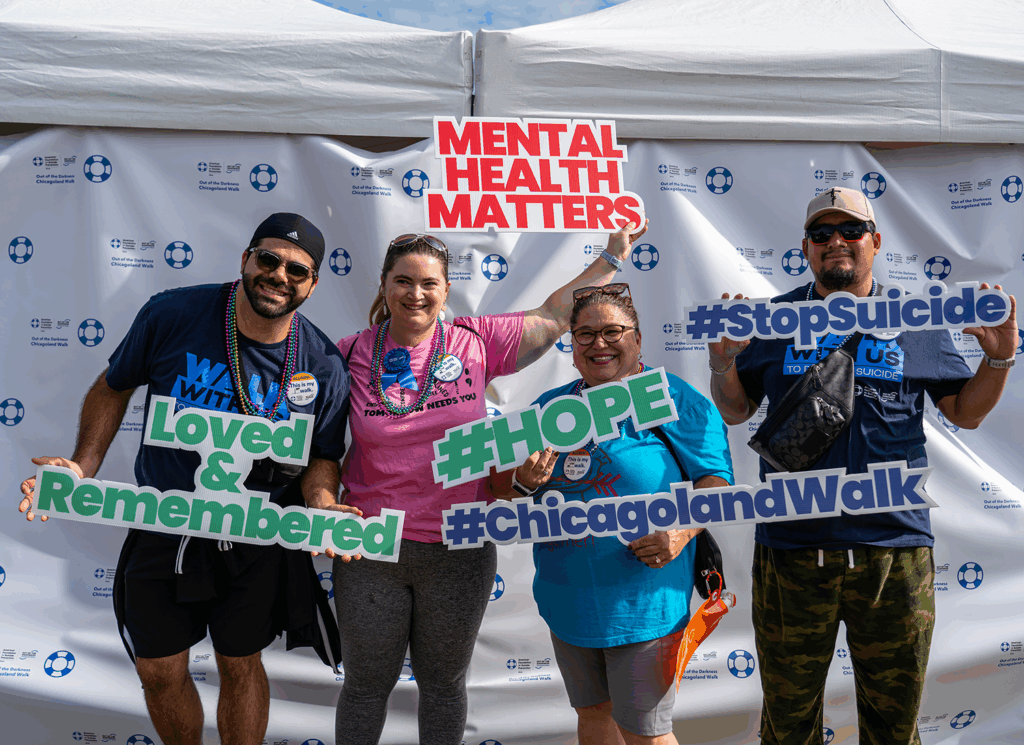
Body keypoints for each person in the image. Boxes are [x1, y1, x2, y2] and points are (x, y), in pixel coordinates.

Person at [18, 213, 359, 745]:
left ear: (312, 284)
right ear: (246, 259)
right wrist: (82, 467)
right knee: (157, 670)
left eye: (298, 270)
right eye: (268, 260)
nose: (279, 276)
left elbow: (323, 455)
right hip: (166, 523)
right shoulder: (173, 313)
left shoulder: (323, 362)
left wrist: (320, 501)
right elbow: (113, 387)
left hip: (253, 536)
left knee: (241, 664)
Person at [707, 187, 1018, 745]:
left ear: (875, 242)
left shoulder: (913, 319)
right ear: (806, 248)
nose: (837, 243)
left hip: (893, 550)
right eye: (822, 234)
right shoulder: (776, 320)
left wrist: (998, 359)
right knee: (788, 725)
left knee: (892, 726)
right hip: (793, 550)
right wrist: (723, 366)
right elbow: (737, 410)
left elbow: (964, 413)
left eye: (851, 231)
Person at [331, 222, 648, 745]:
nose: (416, 293)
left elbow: (553, 314)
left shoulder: (476, 343)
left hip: (460, 543)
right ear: (384, 285)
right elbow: (318, 444)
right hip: (371, 548)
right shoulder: (349, 354)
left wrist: (610, 259)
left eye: (428, 283)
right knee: (366, 685)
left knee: (443, 685)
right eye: (403, 281)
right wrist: (323, 502)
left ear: (446, 290)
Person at [491, 283, 734, 745]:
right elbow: (510, 499)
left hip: (645, 605)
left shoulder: (669, 397)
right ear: (573, 345)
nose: (598, 344)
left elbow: (717, 482)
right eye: (584, 334)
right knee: (594, 718)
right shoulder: (550, 408)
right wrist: (523, 482)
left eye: (612, 332)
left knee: (647, 733)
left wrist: (680, 534)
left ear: (637, 339)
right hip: (569, 601)